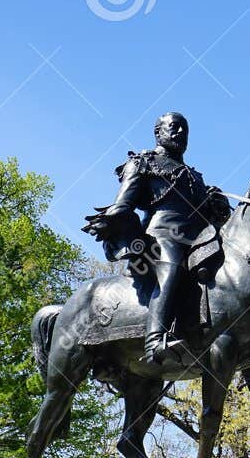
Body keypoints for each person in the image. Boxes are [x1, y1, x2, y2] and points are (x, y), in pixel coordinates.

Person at [83, 113, 231, 364]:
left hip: (197, 237)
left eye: (185, 129)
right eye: (174, 127)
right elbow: (124, 203)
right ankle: (154, 343)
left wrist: (216, 204)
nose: (180, 132)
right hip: (160, 236)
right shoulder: (142, 163)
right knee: (171, 265)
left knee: (232, 268)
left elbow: (206, 214)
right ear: (157, 132)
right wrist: (112, 220)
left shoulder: (195, 177)